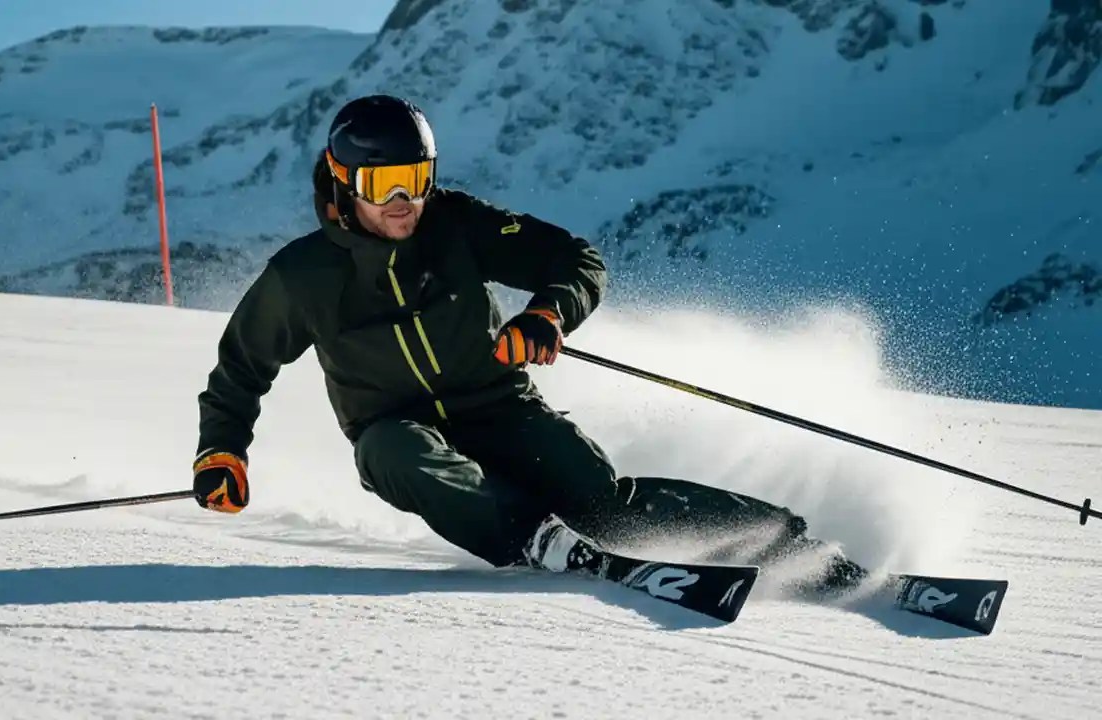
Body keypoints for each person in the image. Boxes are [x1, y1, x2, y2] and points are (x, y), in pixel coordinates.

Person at [191, 94, 867, 590]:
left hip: (503, 408)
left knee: (604, 503)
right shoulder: (302, 275)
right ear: (345, 184)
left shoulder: (456, 226)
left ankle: (791, 545)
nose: (405, 201)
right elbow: (239, 370)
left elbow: (577, 261)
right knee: (395, 448)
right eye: (383, 185)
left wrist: (548, 314)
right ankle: (536, 541)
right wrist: (221, 449)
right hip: (397, 434)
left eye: (417, 180)